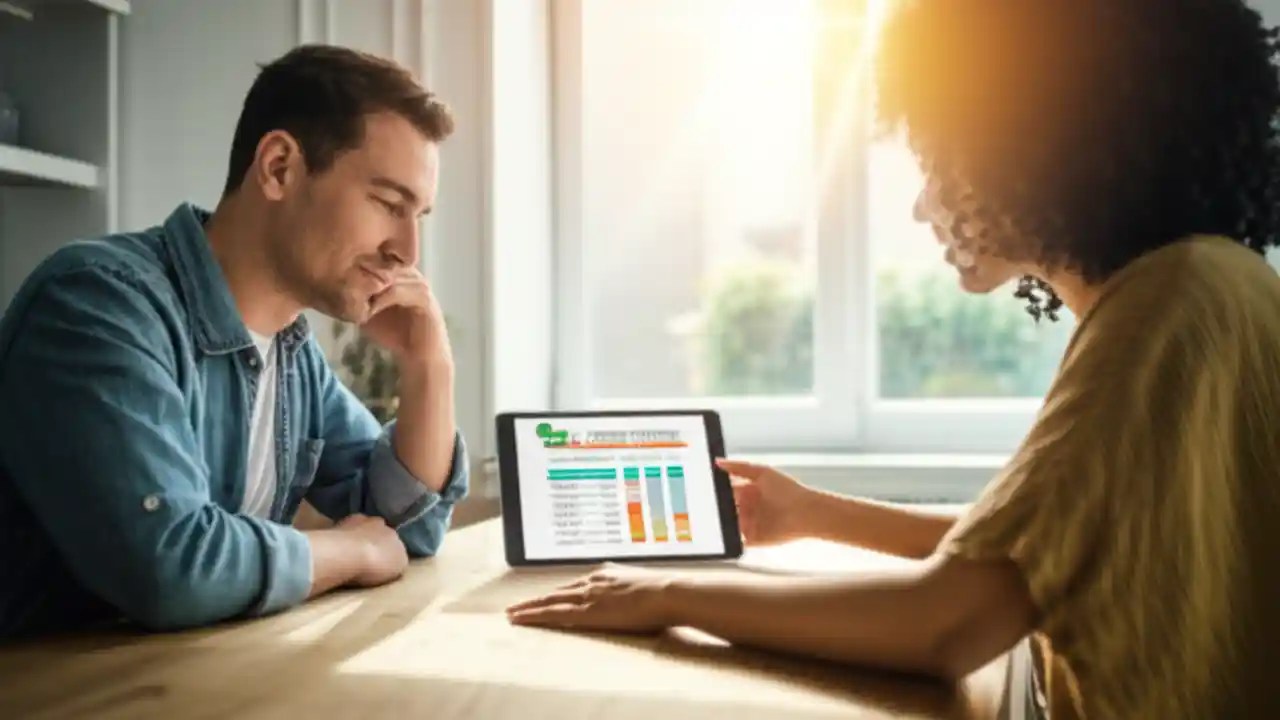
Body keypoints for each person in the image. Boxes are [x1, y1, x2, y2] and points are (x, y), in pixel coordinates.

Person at [506, 1, 1280, 718]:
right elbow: (1031, 554)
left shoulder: (1164, 307)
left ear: (1038, 142)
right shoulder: (1216, 284)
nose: (922, 204)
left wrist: (671, 594)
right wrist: (815, 514)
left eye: (940, 156)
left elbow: (946, 624)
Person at [0, 44, 469, 640]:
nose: (407, 250)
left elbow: (408, 528)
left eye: (418, 216)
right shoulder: (97, 304)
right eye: (386, 204)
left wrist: (429, 365)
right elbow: (169, 568)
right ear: (278, 168)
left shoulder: (293, 355)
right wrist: (346, 550)